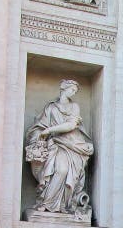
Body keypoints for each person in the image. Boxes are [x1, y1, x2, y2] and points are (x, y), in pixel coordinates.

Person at [25, 79, 94, 217]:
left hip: (72, 144)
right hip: (55, 144)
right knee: (57, 170)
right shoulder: (50, 108)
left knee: (63, 171)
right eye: (72, 90)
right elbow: (39, 127)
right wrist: (41, 134)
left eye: (75, 91)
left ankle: (62, 205)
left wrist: (49, 130)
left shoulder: (74, 107)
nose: (73, 93)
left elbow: (71, 125)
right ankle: (46, 203)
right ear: (63, 89)